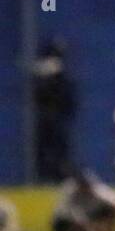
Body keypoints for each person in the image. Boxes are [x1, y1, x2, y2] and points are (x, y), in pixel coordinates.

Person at [33, 39, 77, 183]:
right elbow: (37, 98)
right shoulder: (41, 79)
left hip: (58, 124)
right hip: (45, 124)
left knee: (59, 155)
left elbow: (69, 102)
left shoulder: (64, 81)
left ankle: (60, 178)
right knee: (44, 156)